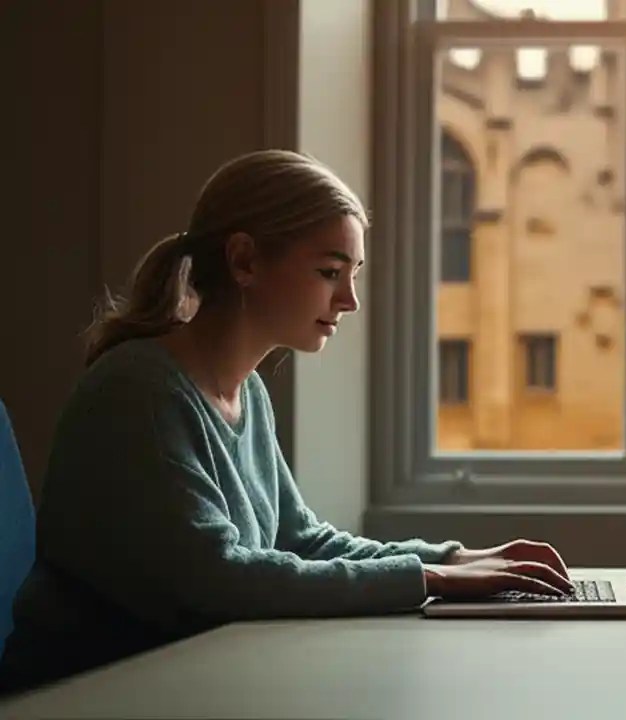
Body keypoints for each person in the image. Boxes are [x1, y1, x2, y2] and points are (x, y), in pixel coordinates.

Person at [0, 150, 573, 693]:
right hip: (87, 697)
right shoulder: (140, 394)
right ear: (245, 260)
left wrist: (451, 558)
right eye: (329, 271)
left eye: (353, 274)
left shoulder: (246, 390)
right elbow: (219, 581)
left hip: (185, 685)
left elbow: (300, 542)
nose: (349, 299)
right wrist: (431, 582)